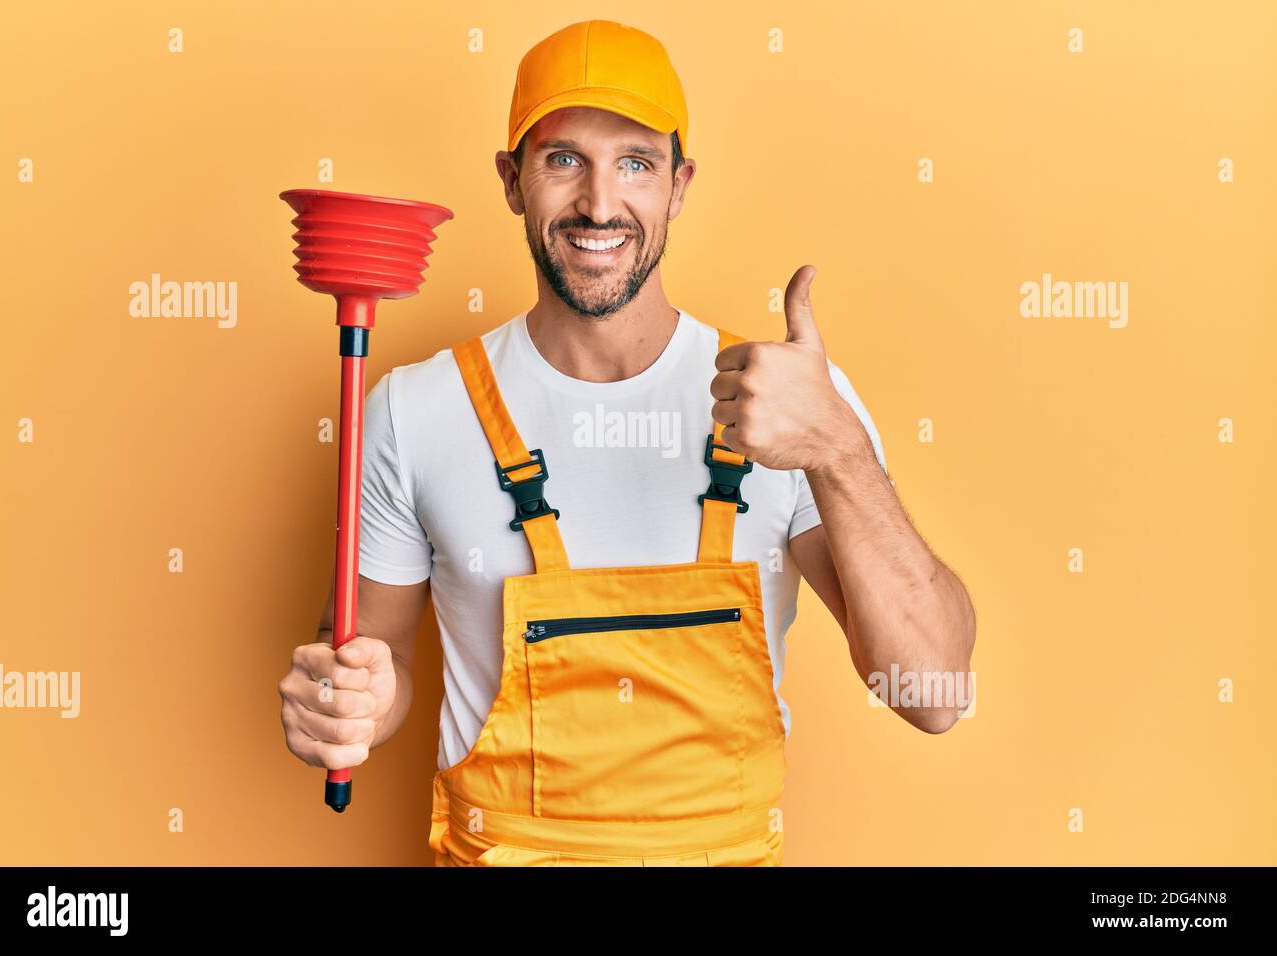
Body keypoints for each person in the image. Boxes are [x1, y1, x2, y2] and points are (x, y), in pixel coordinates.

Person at [279, 19, 975, 865]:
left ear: (679, 185)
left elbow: (935, 691)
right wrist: (345, 703)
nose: (600, 205)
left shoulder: (795, 407)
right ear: (512, 179)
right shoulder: (416, 410)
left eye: (636, 164)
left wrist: (840, 449)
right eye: (563, 159)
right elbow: (371, 657)